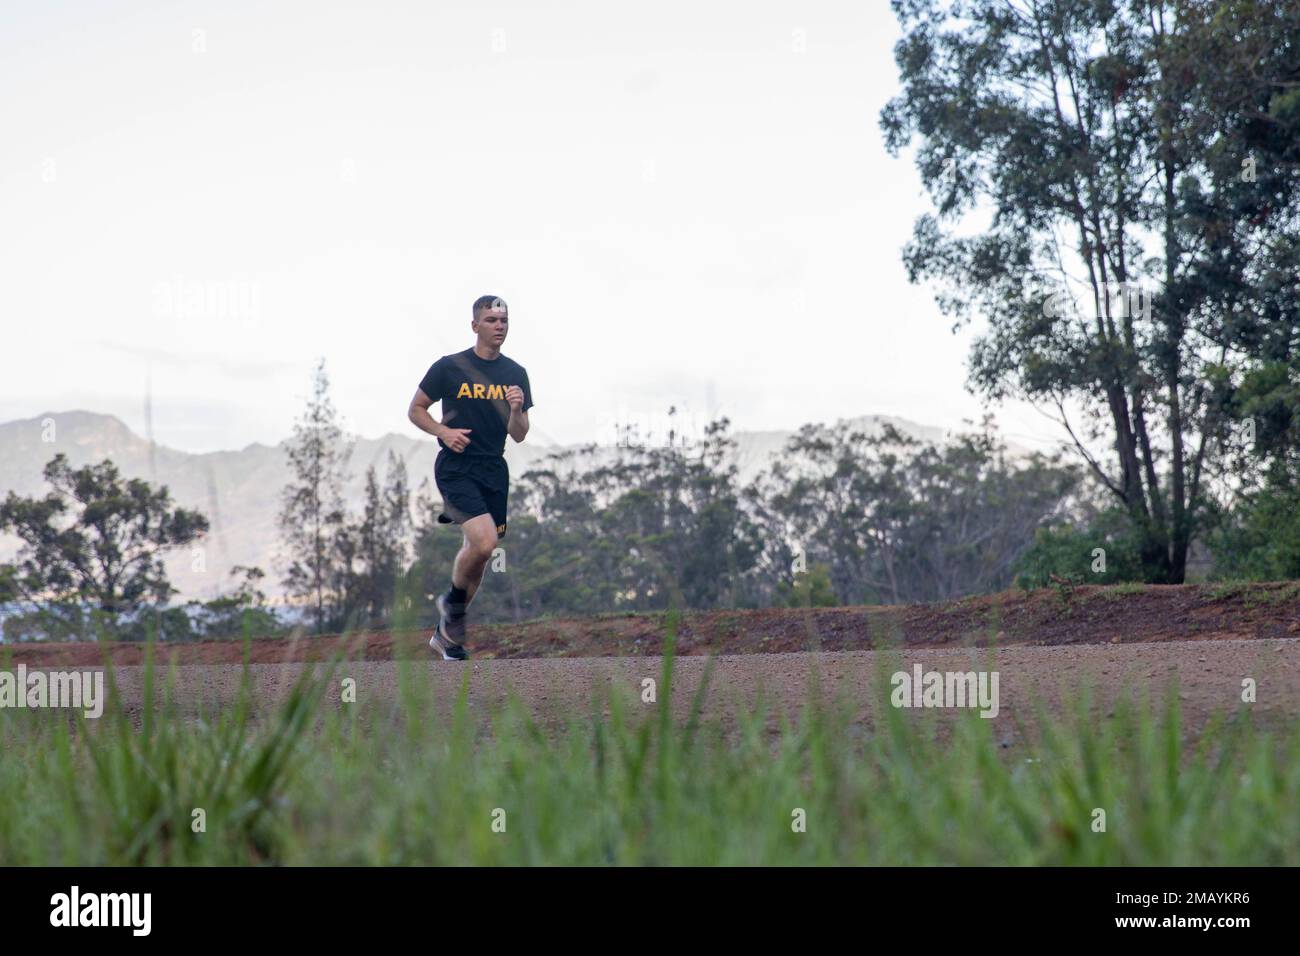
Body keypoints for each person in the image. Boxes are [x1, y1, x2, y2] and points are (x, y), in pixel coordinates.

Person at [407, 295, 533, 659]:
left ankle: (447, 634)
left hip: (494, 468)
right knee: (483, 543)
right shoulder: (450, 367)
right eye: (491, 320)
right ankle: (453, 607)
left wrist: (515, 409)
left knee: (479, 552)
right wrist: (443, 433)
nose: (499, 326)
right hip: (456, 466)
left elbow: (520, 432)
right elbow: (415, 409)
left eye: (504, 320)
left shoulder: (515, 374)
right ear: (475, 325)